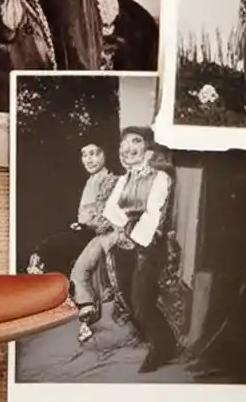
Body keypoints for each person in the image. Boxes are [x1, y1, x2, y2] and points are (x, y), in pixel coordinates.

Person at [101, 125, 178, 373]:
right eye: (124, 144)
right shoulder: (123, 180)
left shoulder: (160, 178)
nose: (127, 148)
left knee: (142, 303)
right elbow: (110, 209)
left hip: (149, 245)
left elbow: (154, 214)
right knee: (130, 301)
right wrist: (124, 230)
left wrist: (132, 235)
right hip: (124, 243)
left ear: (148, 150)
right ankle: (153, 339)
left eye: (135, 142)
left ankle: (165, 346)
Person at [26, 143, 119, 279]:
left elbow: (108, 217)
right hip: (85, 231)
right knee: (48, 244)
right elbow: (85, 214)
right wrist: (80, 224)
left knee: (51, 246)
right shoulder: (89, 182)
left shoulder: (112, 181)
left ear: (105, 154)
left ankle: (61, 288)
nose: (89, 160)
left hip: (101, 233)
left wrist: (87, 225)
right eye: (85, 155)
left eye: (94, 154)